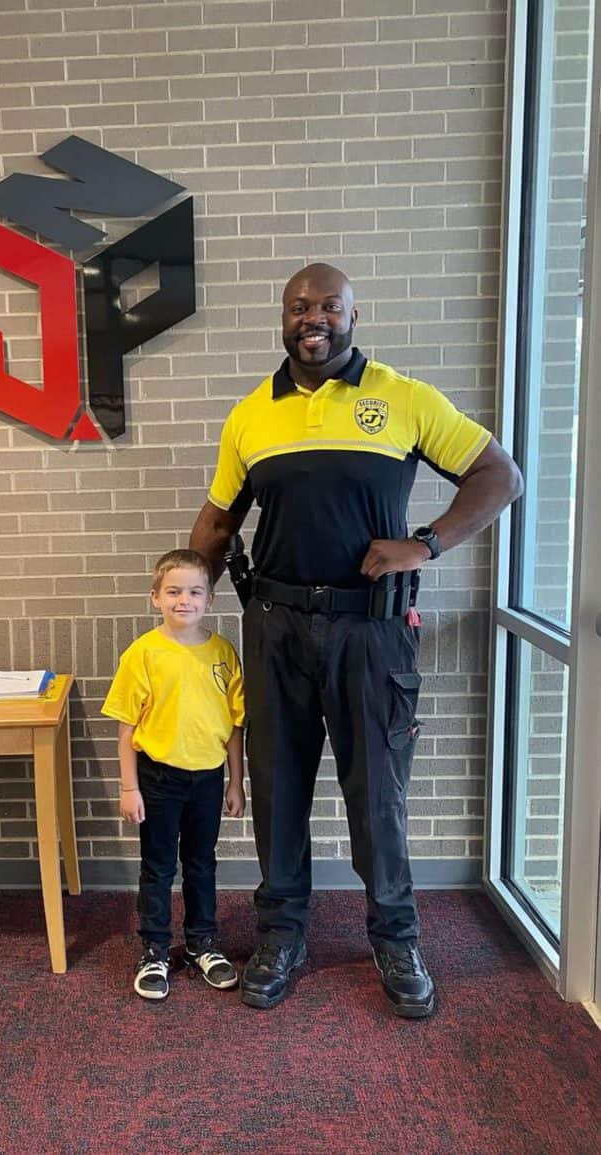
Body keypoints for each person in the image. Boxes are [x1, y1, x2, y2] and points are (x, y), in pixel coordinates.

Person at [189, 263, 523, 1018]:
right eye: (299, 306)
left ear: (353, 315)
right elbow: (215, 523)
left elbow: (499, 475)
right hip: (274, 628)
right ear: (282, 318)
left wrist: (426, 543)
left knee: (378, 797)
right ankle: (281, 933)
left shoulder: (403, 399)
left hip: (372, 630)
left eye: (329, 306)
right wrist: (187, 614)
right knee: (278, 794)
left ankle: (397, 936)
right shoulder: (251, 416)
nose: (314, 317)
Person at [102, 549, 246, 1000]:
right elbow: (126, 729)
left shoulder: (223, 653)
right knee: (159, 866)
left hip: (207, 777)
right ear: (155, 597)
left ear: (211, 599)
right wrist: (129, 787)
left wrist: (235, 781)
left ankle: (203, 942)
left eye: (195, 591)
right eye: (174, 591)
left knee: (202, 864)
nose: (185, 600)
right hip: (158, 778)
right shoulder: (143, 654)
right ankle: (155, 949)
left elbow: (236, 726)